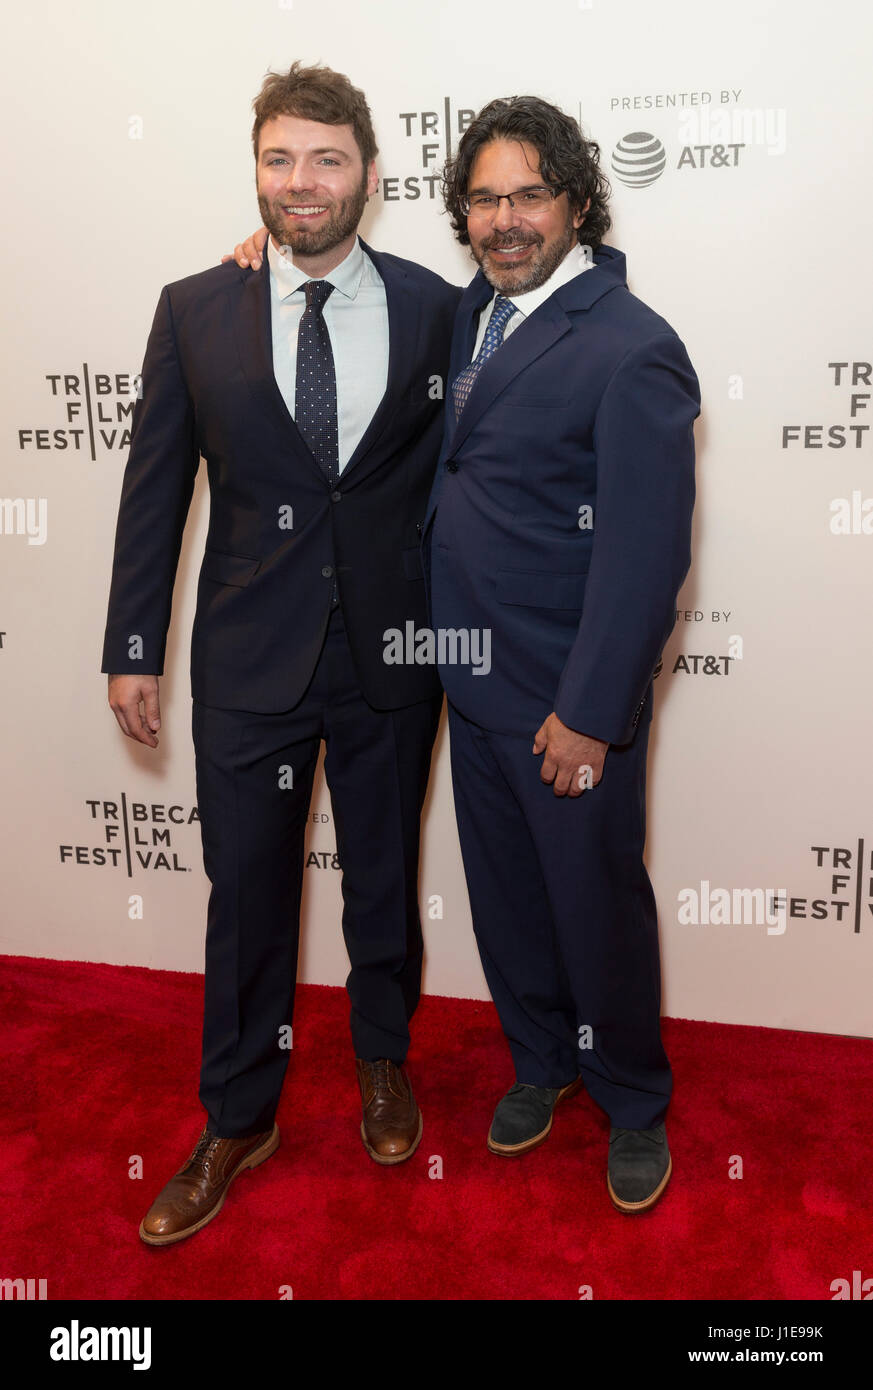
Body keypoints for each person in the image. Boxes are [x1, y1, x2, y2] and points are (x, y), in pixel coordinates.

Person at [102, 61, 459, 1246]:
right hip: (249, 655)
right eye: (278, 160)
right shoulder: (194, 306)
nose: (301, 185)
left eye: (326, 159)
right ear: (254, 170)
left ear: (369, 172)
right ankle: (235, 1116)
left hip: (390, 653)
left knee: (380, 882)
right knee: (245, 895)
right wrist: (132, 644)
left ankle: (383, 1060)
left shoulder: (433, 307)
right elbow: (154, 491)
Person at [422, 96, 699, 1213]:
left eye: (530, 193)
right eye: (485, 197)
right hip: (472, 682)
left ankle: (632, 1096)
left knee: (593, 903)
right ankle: (542, 1063)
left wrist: (589, 711)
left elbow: (642, 557)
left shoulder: (636, 348)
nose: (506, 220)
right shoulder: (468, 319)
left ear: (578, 200)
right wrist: (258, 259)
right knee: (505, 902)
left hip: (568, 700)